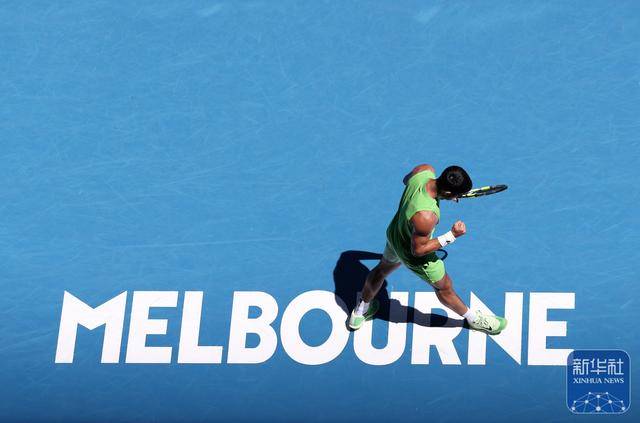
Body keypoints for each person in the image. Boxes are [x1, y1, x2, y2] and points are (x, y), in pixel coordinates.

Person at [348, 164, 507, 334]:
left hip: (396, 235)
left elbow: (406, 181)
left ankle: (360, 312)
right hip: (413, 254)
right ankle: (474, 320)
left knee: (380, 271)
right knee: (444, 288)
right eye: (455, 195)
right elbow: (418, 250)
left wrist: (442, 196)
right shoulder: (426, 216)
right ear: (448, 192)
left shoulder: (424, 171)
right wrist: (452, 235)